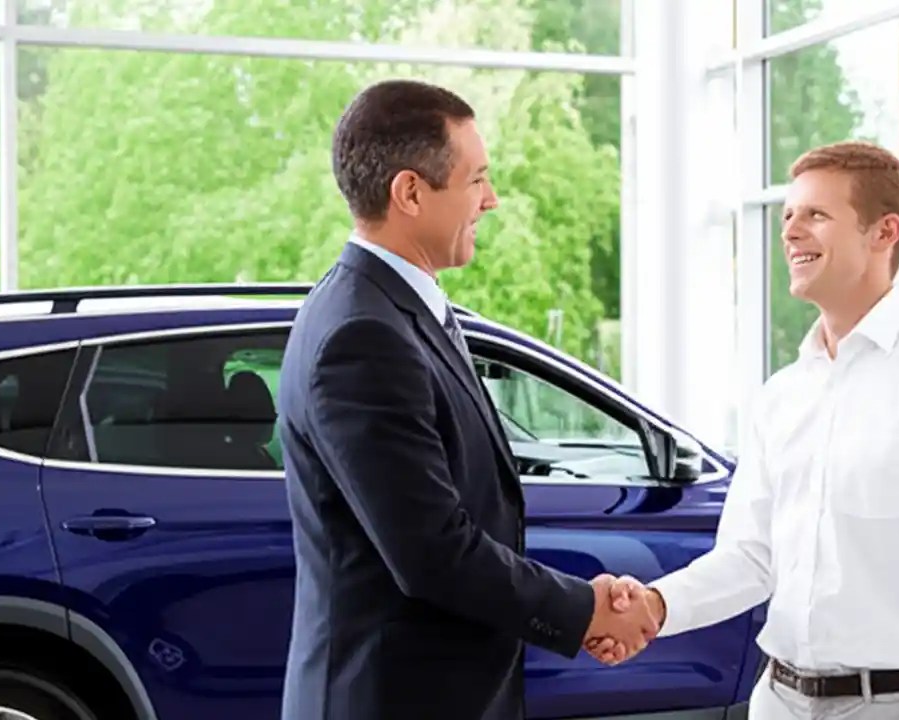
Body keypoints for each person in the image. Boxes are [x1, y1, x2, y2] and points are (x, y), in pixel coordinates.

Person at [595, 141, 899, 720]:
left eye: (816, 215)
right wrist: (654, 603)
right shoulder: (783, 395)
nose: (792, 232)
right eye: (788, 217)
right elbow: (750, 558)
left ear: (885, 232)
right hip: (778, 700)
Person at [276, 79, 658, 720]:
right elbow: (433, 553)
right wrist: (585, 609)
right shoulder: (362, 335)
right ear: (410, 192)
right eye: (476, 179)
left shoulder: (388, 309)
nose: (492, 199)